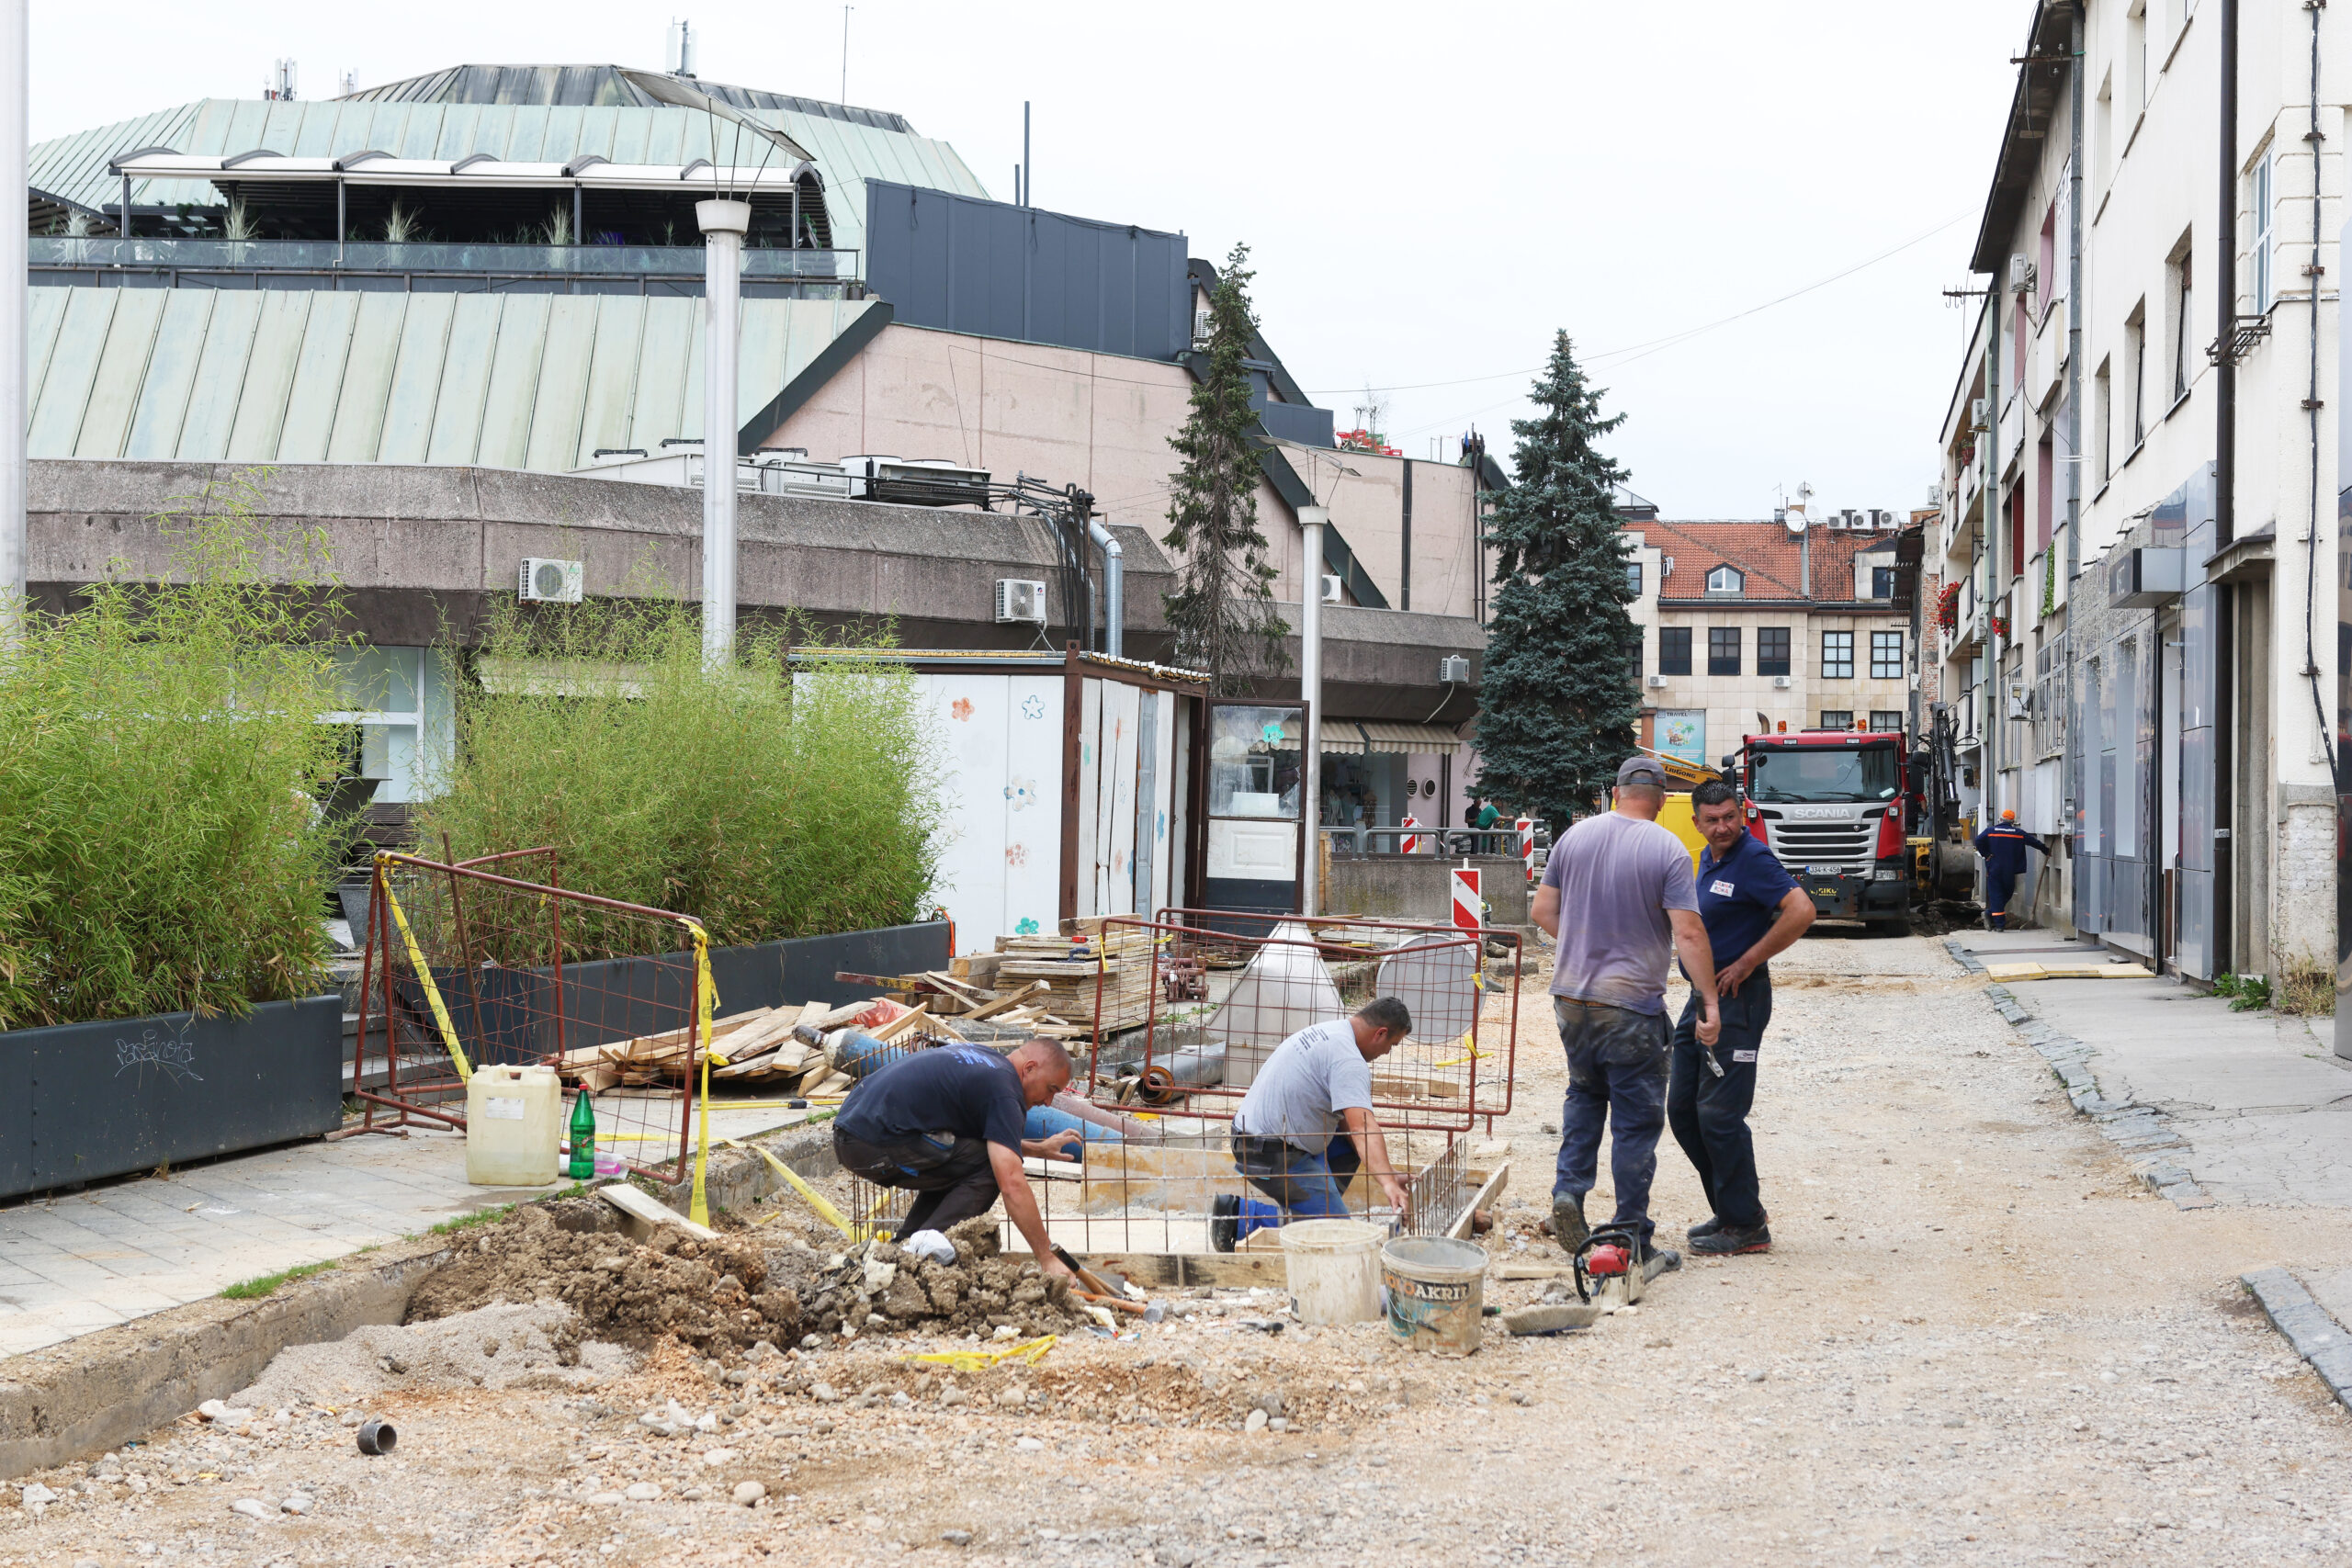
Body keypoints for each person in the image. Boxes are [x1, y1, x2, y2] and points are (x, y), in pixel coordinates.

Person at [1531, 755, 1720, 1270]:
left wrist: (1583, 944)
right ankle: (1629, 1233)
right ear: (1661, 797)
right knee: (1636, 1123)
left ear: (1616, 793)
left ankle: (1569, 1193)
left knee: (1585, 1095)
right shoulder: (1668, 849)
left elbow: (1542, 911)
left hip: (1571, 1000)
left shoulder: (1574, 838)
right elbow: (1688, 932)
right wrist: (1709, 1001)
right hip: (1631, 1006)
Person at [1668, 779, 1815, 1258]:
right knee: (1683, 1110)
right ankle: (1733, 1208)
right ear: (1697, 823)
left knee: (1718, 1113)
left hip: (1740, 999)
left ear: (1742, 813)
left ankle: (1746, 1223)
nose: (1723, 826)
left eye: (1730, 816)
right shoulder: (1708, 859)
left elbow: (1802, 910)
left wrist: (1749, 960)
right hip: (1702, 996)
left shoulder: (1752, 859)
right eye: (1712, 820)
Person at [831, 1037, 1083, 1279]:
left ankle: (904, 1247)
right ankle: (920, 1253)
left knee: (965, 1162)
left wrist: (1036, 1149)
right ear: (1029, 1068)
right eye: (1051, 1089)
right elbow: (1011, 1183)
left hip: (854, 1132)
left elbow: (979, 1145)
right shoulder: (1005, 1091)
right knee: (989, 1167)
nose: (1049, 1102)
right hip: (871, 1142)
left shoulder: (987, 1063)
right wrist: (1047, 1256)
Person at [1210, 998, 1417, 1250]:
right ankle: (1240, 1216)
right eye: (1391, 1045)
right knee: (1334, 1234)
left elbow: (1350, 1125)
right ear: (1380, 1033)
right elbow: (1363, 1126)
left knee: (1350, 1146)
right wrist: (1387, 1184)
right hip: (1268, 1150)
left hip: (1263, 1136)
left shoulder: (1333, 1032)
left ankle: (1316, 1205)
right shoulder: (1348, 1060)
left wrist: (1388, 1173)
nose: (1387, 1053)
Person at [1973, 808, 2047, 931]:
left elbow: (1978, 840)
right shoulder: (2017, 832)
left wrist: (1986, 854)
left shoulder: (1991, 831)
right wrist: (2046, 850)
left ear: (2001, 819)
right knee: (2007, 892)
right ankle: (2000, 924)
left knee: (1997, 895)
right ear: (2013, 821)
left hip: (1994, 868)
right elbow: (2034, 842)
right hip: (2009, 869)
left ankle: (1990, 914)